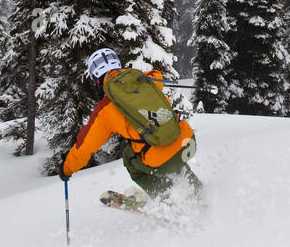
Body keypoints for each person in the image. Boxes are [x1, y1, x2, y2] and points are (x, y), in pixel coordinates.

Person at [58, 48, 201, 205]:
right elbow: (156, 75)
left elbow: (84, 147)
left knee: (130, 157)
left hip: (164, 160)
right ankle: (198, 192)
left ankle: (166, 199)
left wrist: (67, 169)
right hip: (188, 142)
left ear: (96, 79)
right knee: (171, 152)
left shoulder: (106, 109)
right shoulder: (142, 81)